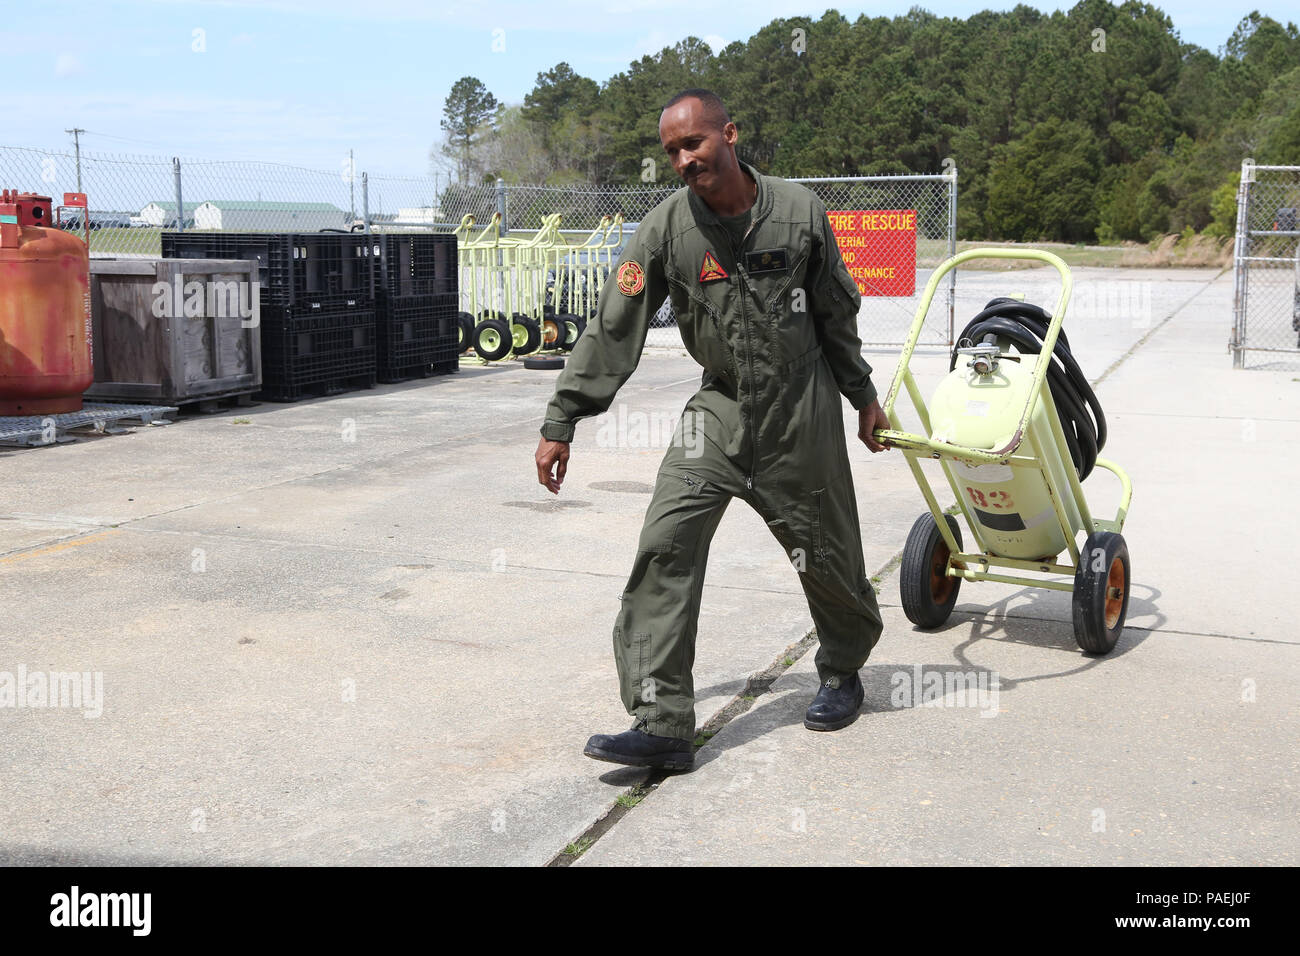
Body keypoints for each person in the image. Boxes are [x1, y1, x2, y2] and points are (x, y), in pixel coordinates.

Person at [534, 89, 890, 772]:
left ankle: (842, 671)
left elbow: (835, 316)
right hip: (719, 411)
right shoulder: (668, 230)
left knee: (825, 554)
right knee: (666, 542)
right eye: (671, 150)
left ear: (729, 134)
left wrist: (862, 397)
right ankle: (663, 722)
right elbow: (615, 326)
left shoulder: (800, 212)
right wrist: (564, 419)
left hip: (800, 410)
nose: (683, 159)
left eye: (693, 143)